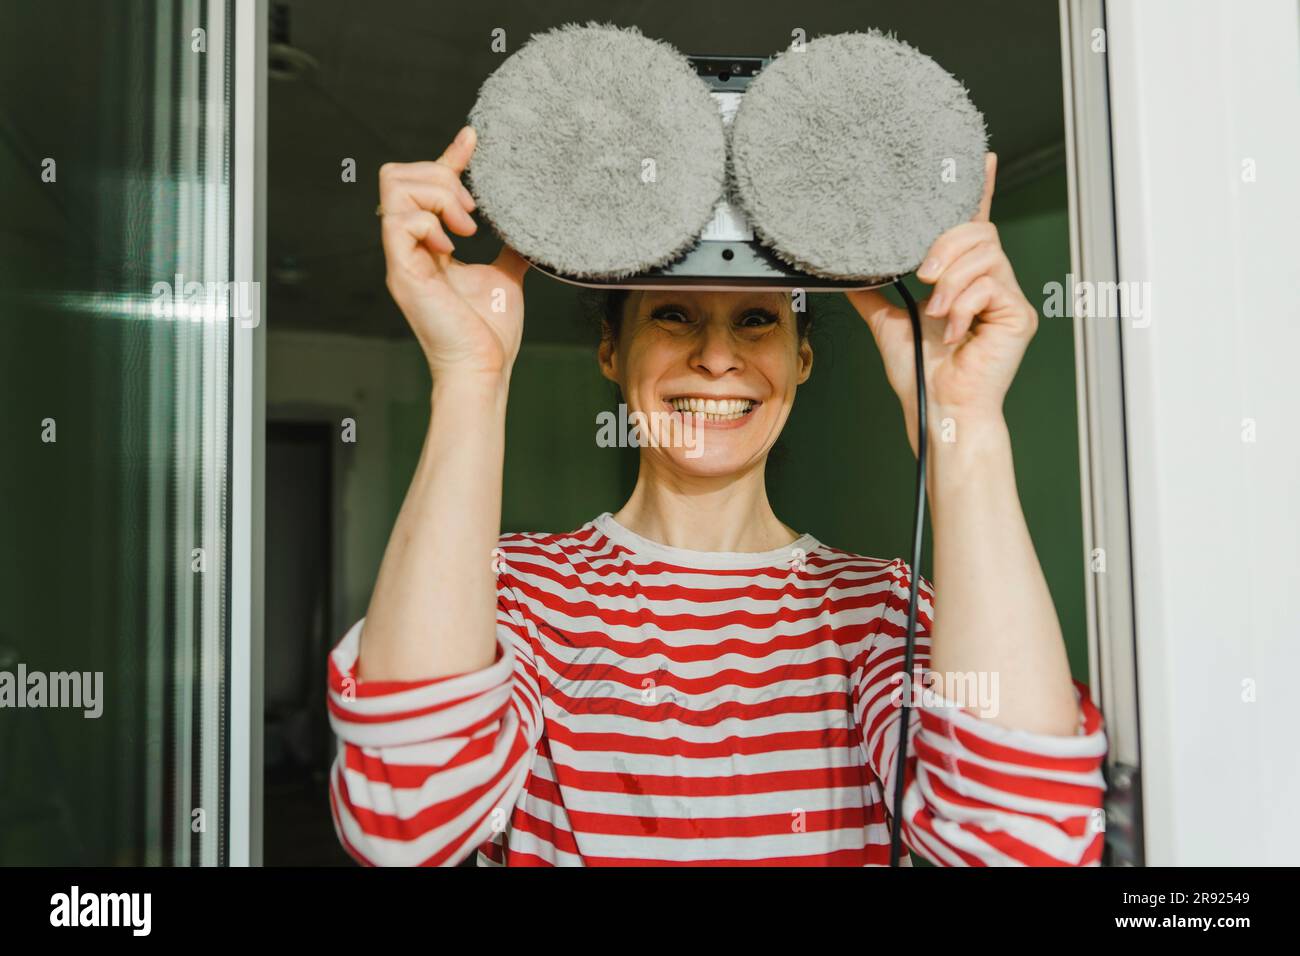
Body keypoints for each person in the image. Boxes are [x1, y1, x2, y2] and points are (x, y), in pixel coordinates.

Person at [326, 125, 1108, 866]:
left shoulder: (881, 612)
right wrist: (469, 377)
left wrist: (964, 423)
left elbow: (1021, 845)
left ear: (802, 358)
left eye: (756, 321)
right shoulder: (515, 595)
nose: (715, 358)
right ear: (610, 350)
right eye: (673, 315)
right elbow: (403, 824)